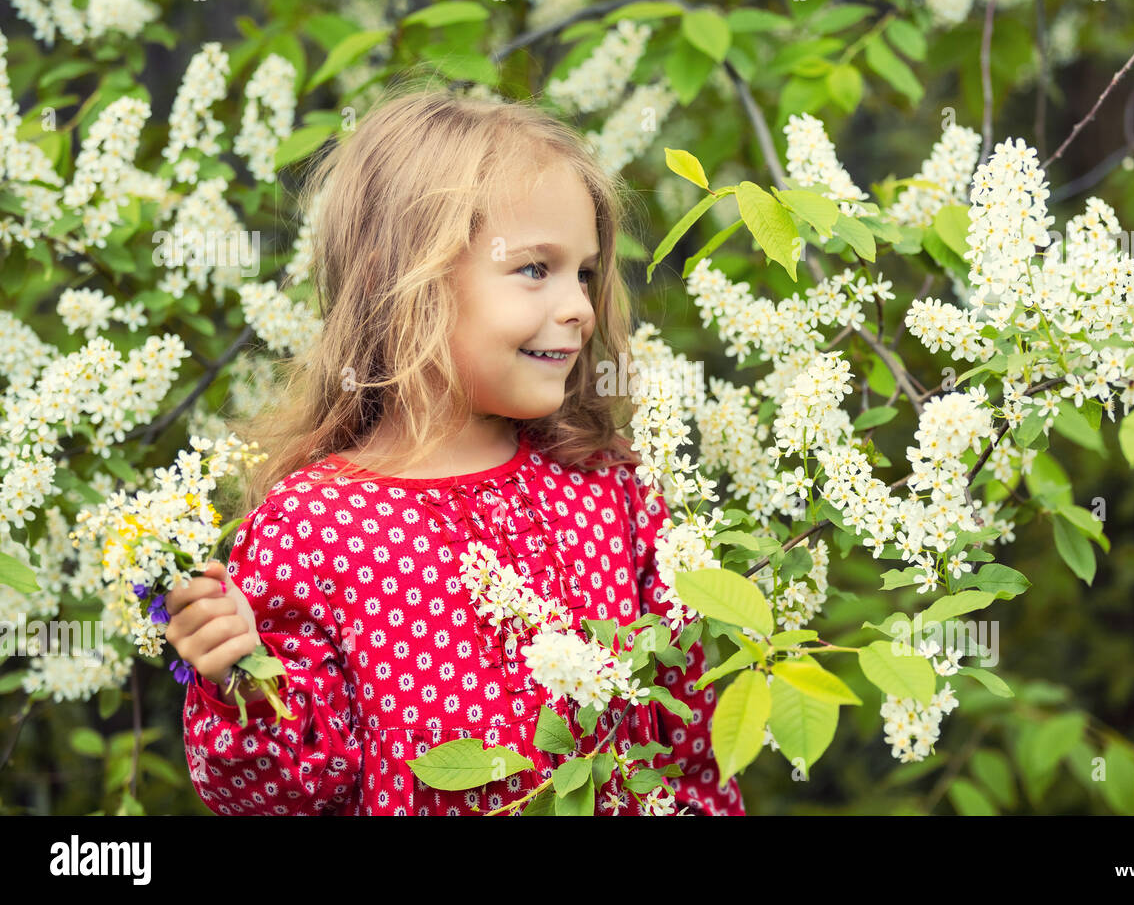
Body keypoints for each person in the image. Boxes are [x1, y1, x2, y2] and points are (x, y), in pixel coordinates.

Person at [164, 84, 745, 816]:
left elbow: (686, 745)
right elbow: (288, 794)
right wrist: (240, 677)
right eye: (536, 268)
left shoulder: (608, 489)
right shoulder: (314, 527)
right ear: (410, 283)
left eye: (586, 272)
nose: (579, 307)